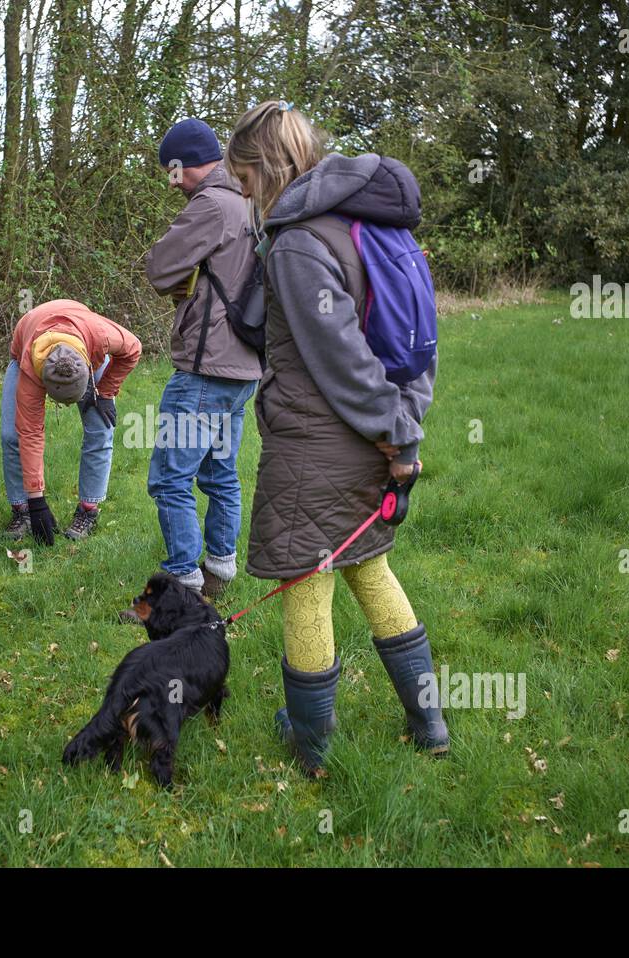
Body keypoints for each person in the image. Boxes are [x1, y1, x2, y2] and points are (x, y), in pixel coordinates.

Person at [225, 101, 449, 775]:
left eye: (244, 178)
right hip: (376, 441)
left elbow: (342, 357)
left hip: (318, 443)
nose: (242, 193)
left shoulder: (298, 241)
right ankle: (429, 723)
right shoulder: (374, 225)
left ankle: (312, 746)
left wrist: (391, 432)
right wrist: (404, 429)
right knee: (368, 568)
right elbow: (421, 340)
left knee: (306, 582)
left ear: (267, 169)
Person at [143, 118, 262, 598]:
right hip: (244, 368)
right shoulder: (252, 202)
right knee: (220, 472)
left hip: (205, 369)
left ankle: (183, 580)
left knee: (170, 478)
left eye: (172, 173)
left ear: (184, 165)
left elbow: (158, 267)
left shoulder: (211, 204)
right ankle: (220, 567)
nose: (172, 184)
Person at [1, 299, 141, 544]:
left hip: (82, 339)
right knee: (12, 436)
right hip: (29, 344)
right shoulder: (31, 373)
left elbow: (133, 349)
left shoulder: (102, 336)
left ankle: (89, 509)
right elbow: (30, 432)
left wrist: (106, 391)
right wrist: (37, 502)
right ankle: (22, 511)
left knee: (100, 428)